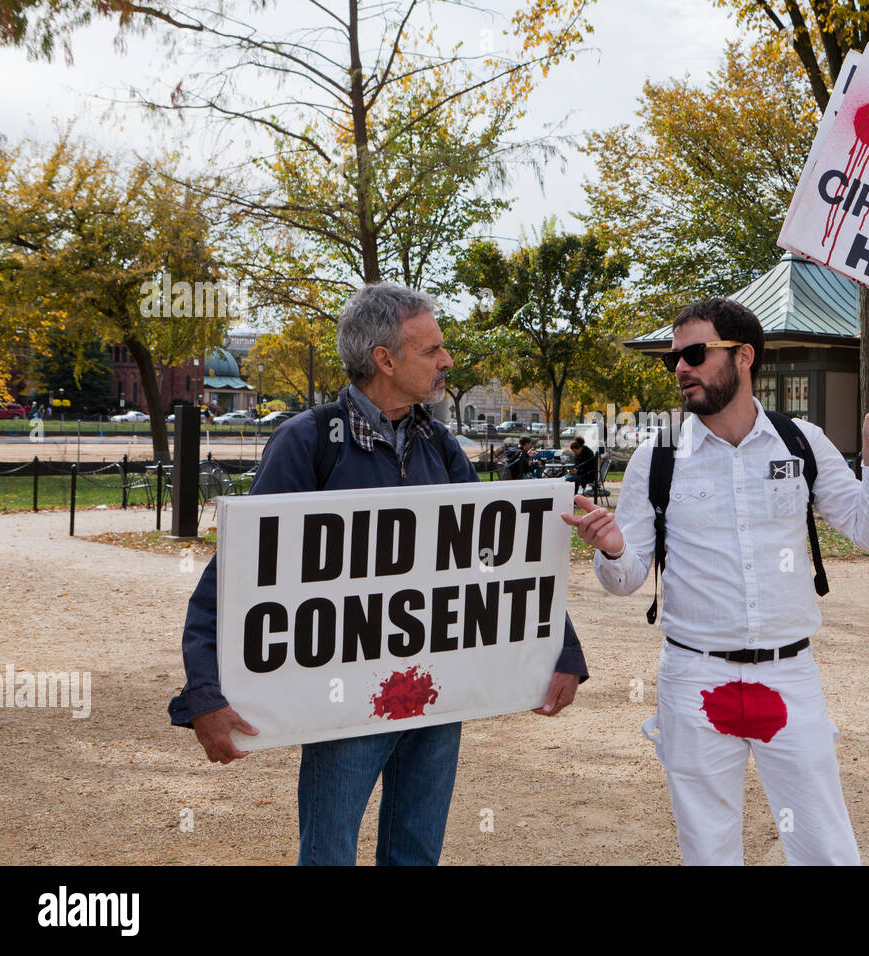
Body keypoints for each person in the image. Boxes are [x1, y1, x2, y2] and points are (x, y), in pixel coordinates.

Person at [170, 282, 588, 866]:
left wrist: (561, 649)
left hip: (437, 683)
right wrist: (203, 694)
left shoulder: (440, 444)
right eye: (431, 350)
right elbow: (240, 575)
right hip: (341, 696)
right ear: (384, 360)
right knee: (329, 854)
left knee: (416, 851)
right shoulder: (309, 441)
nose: (446, 361)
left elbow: (496, 557)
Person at [563, 297, 869, 866]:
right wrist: (613, 548)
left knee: (824, 844)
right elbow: (624, 581)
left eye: (696, 354)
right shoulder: (659, 457)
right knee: (708, 849)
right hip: (693, 677)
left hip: (789, 674)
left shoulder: (800, 442)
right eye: (674, 358)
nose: (681, 368)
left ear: (744, 356)